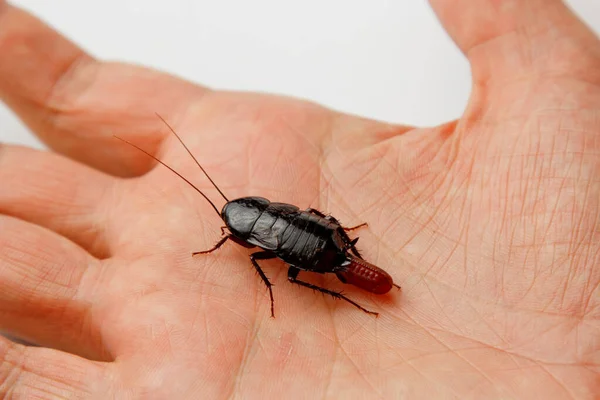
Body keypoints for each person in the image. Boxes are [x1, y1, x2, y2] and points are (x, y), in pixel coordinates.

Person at [0, 0, 598, 398]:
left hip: (319, 248)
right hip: (324, 244)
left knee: (285, 275)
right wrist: (340, 248)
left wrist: (326, 253)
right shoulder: (254, 225)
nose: (232, 239)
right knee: (303, 259)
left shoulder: (249, 237)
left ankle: (344, 274)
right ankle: (345, 270)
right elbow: (293, 215)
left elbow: (271, 225)